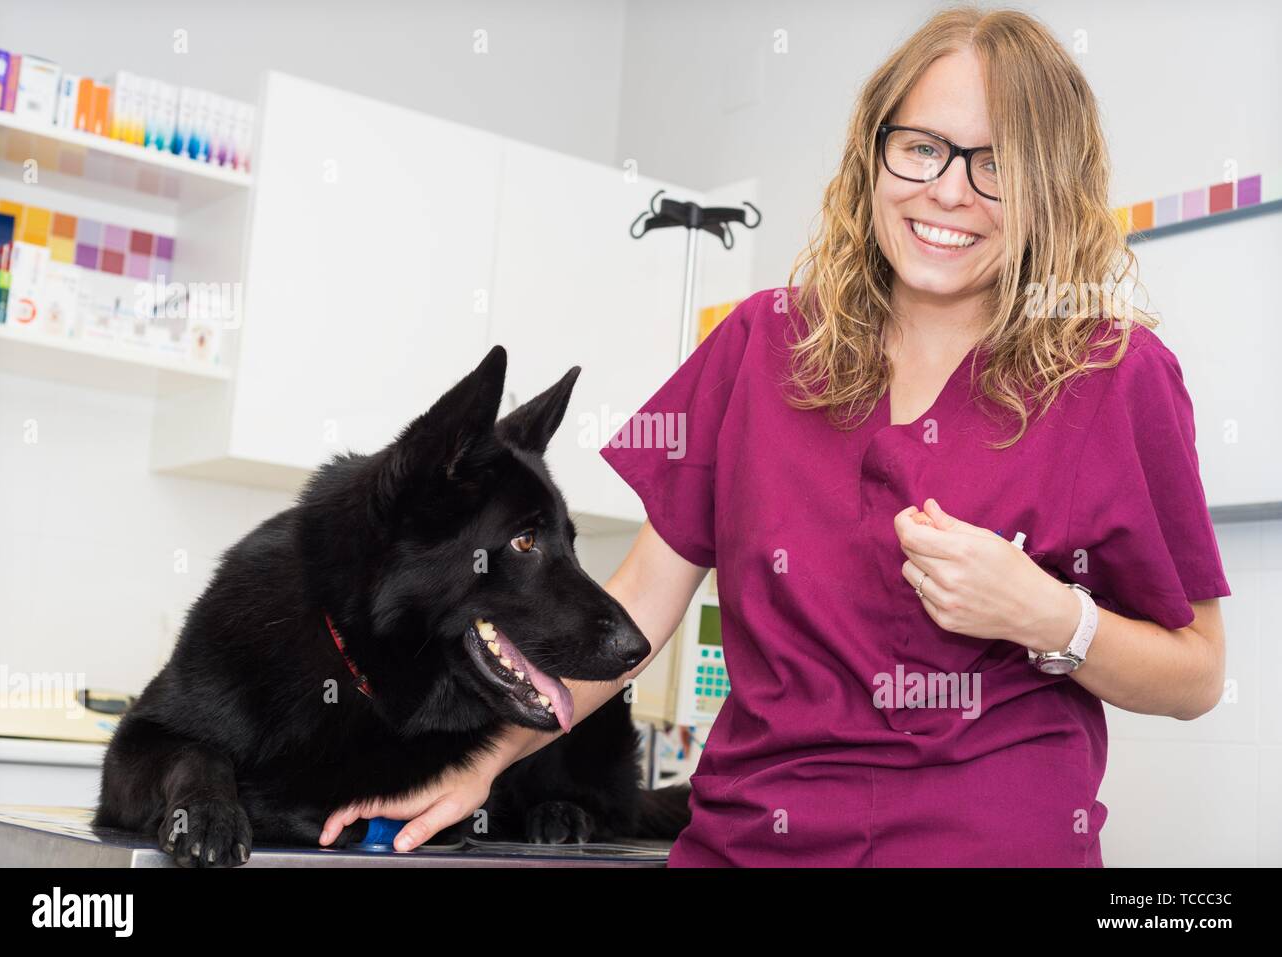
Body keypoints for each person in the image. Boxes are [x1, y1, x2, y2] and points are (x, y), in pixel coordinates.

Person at [319, 6, 1229, 866]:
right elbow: (636, 603)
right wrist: (485, 759)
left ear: (1052, 189)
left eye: (996, 162)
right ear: (875, 156)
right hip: (748, 845)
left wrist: (1048, 615)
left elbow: (1194, 674)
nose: (948, 191)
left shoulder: (1111, 376)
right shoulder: (761, 346)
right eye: (921, 149)